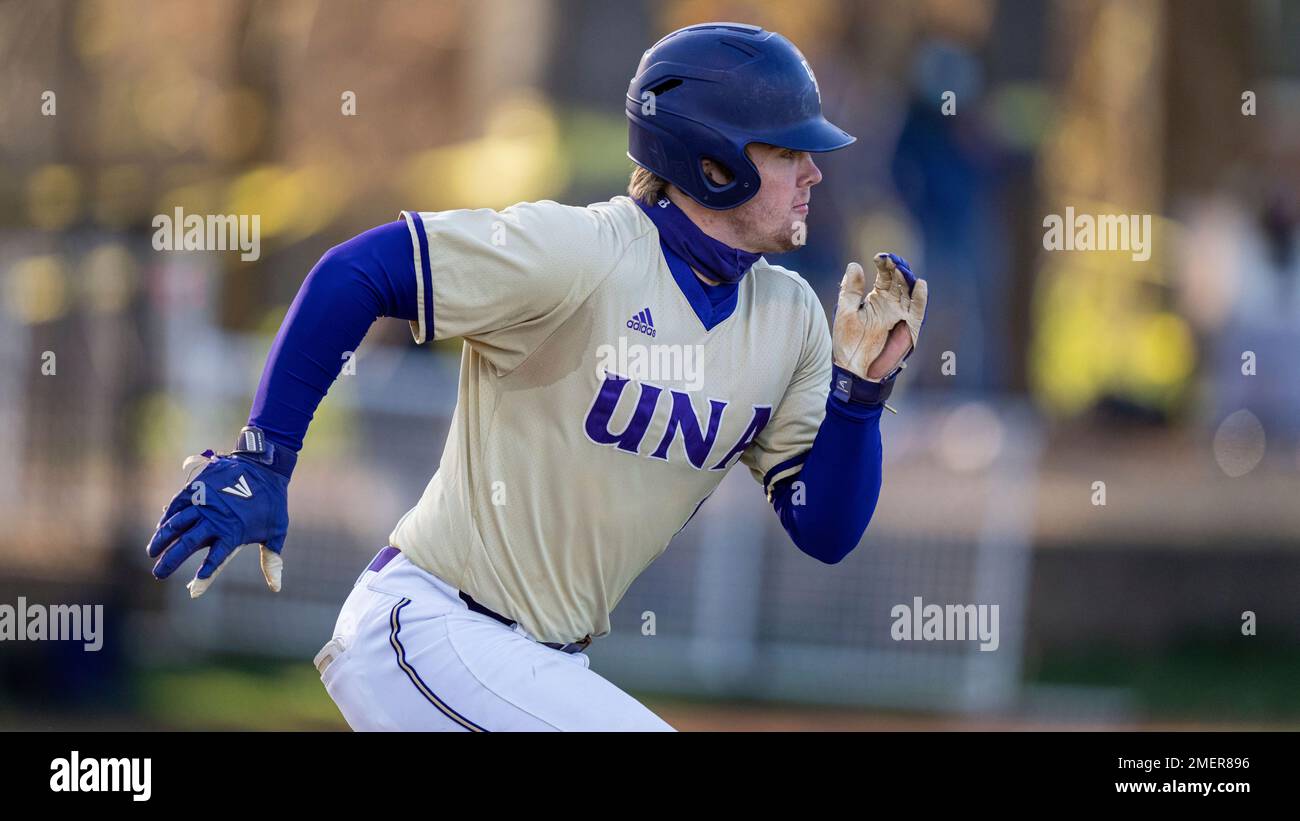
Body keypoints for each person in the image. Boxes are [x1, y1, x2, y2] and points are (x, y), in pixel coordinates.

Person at [144, 22, 927, 731]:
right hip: (432, 627)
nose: (813, 173)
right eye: (787, 150)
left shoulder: (787, 315)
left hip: (541, 664)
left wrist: (859, 399)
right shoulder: (580, 252)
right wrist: (264, 456)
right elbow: (355, 272)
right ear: (714, 162)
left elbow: (823, 530)